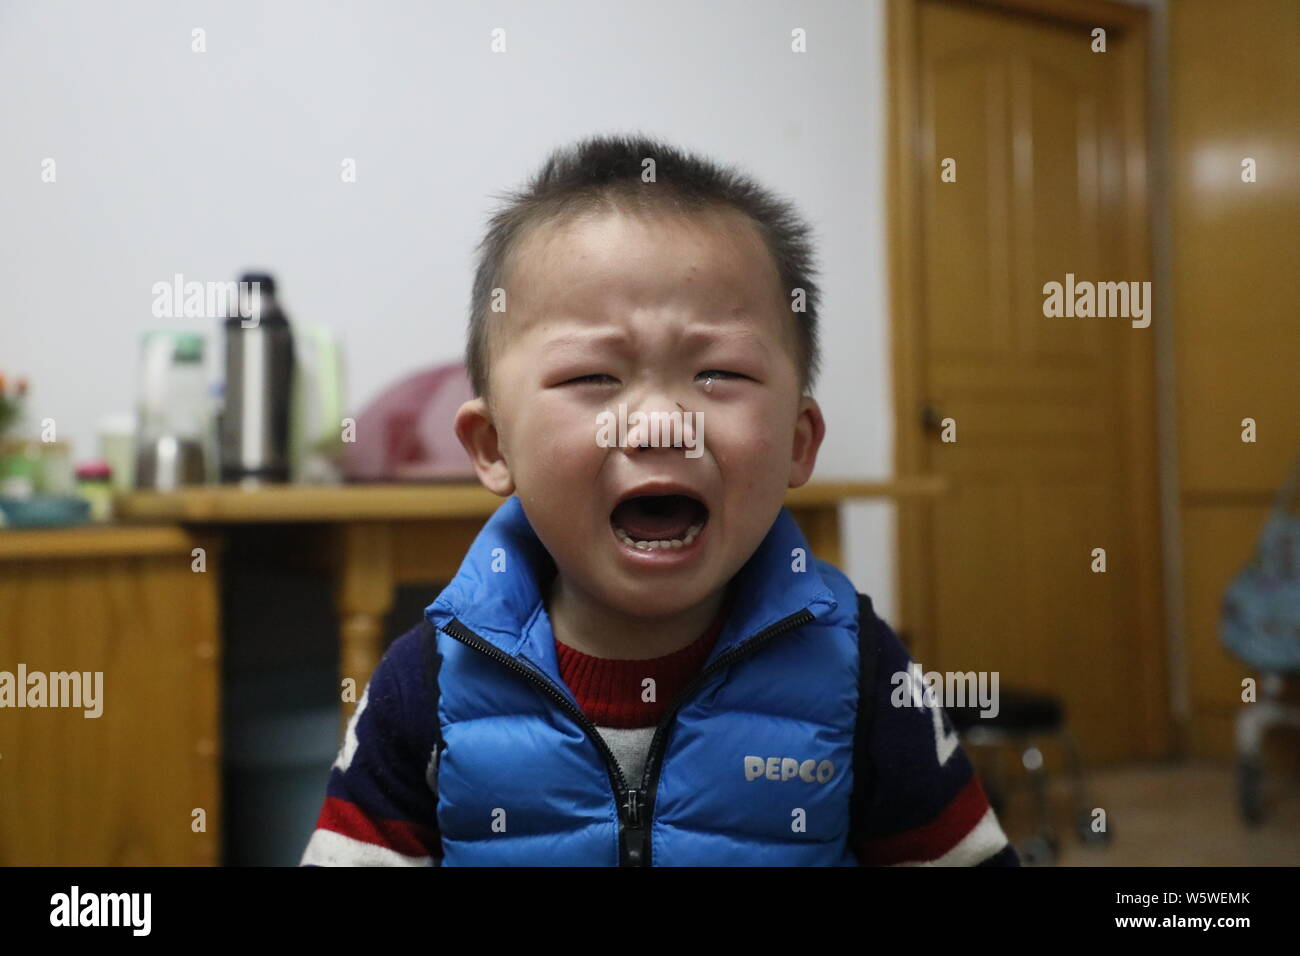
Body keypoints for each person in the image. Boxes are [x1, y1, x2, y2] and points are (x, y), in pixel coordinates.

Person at [301, 133, 1018, 866]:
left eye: (719, 372)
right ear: (492, 446)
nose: (660, 423)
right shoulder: (429, 682)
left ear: (800, 441)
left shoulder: (860, 669)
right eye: (593, 378)